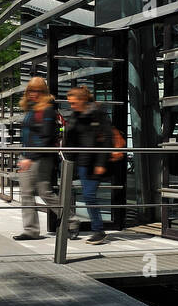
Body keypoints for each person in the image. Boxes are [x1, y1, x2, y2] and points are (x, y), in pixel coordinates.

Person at [13, 77, 60, 240]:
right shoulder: (31, 109)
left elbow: (46, 137)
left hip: (40, 158)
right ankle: (31, 230)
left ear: (43, 92)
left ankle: (71, 220)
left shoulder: (47, 110)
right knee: (26, 193)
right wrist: (24, 155)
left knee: (44, 192)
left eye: (37, 91)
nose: (33, 94)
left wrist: (29, 157)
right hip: (28, 156)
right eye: (30, 91)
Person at [63, 86, 111, 245]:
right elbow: (71, 138)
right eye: (70, 103)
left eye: (74, 103)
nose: (71, 106)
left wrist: (101, 163)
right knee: (88, 195)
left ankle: (99, 231)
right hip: (82, 162)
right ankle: (97, 230)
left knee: (89, 195)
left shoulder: (98, 113)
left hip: (95, 162)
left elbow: (107, 140)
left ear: (83, 100)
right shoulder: (76, 115)